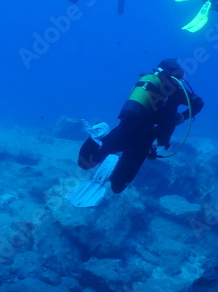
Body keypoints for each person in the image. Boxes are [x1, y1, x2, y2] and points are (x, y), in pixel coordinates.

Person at [76, 59, 203, 195]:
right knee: (117, 187)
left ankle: (98, 134)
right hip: (143, 142)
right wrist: (182, 117)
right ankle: (113, 167)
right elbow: (198, 103)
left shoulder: (147, 83)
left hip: (124, 130)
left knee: (84, 164)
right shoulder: (178, 93)